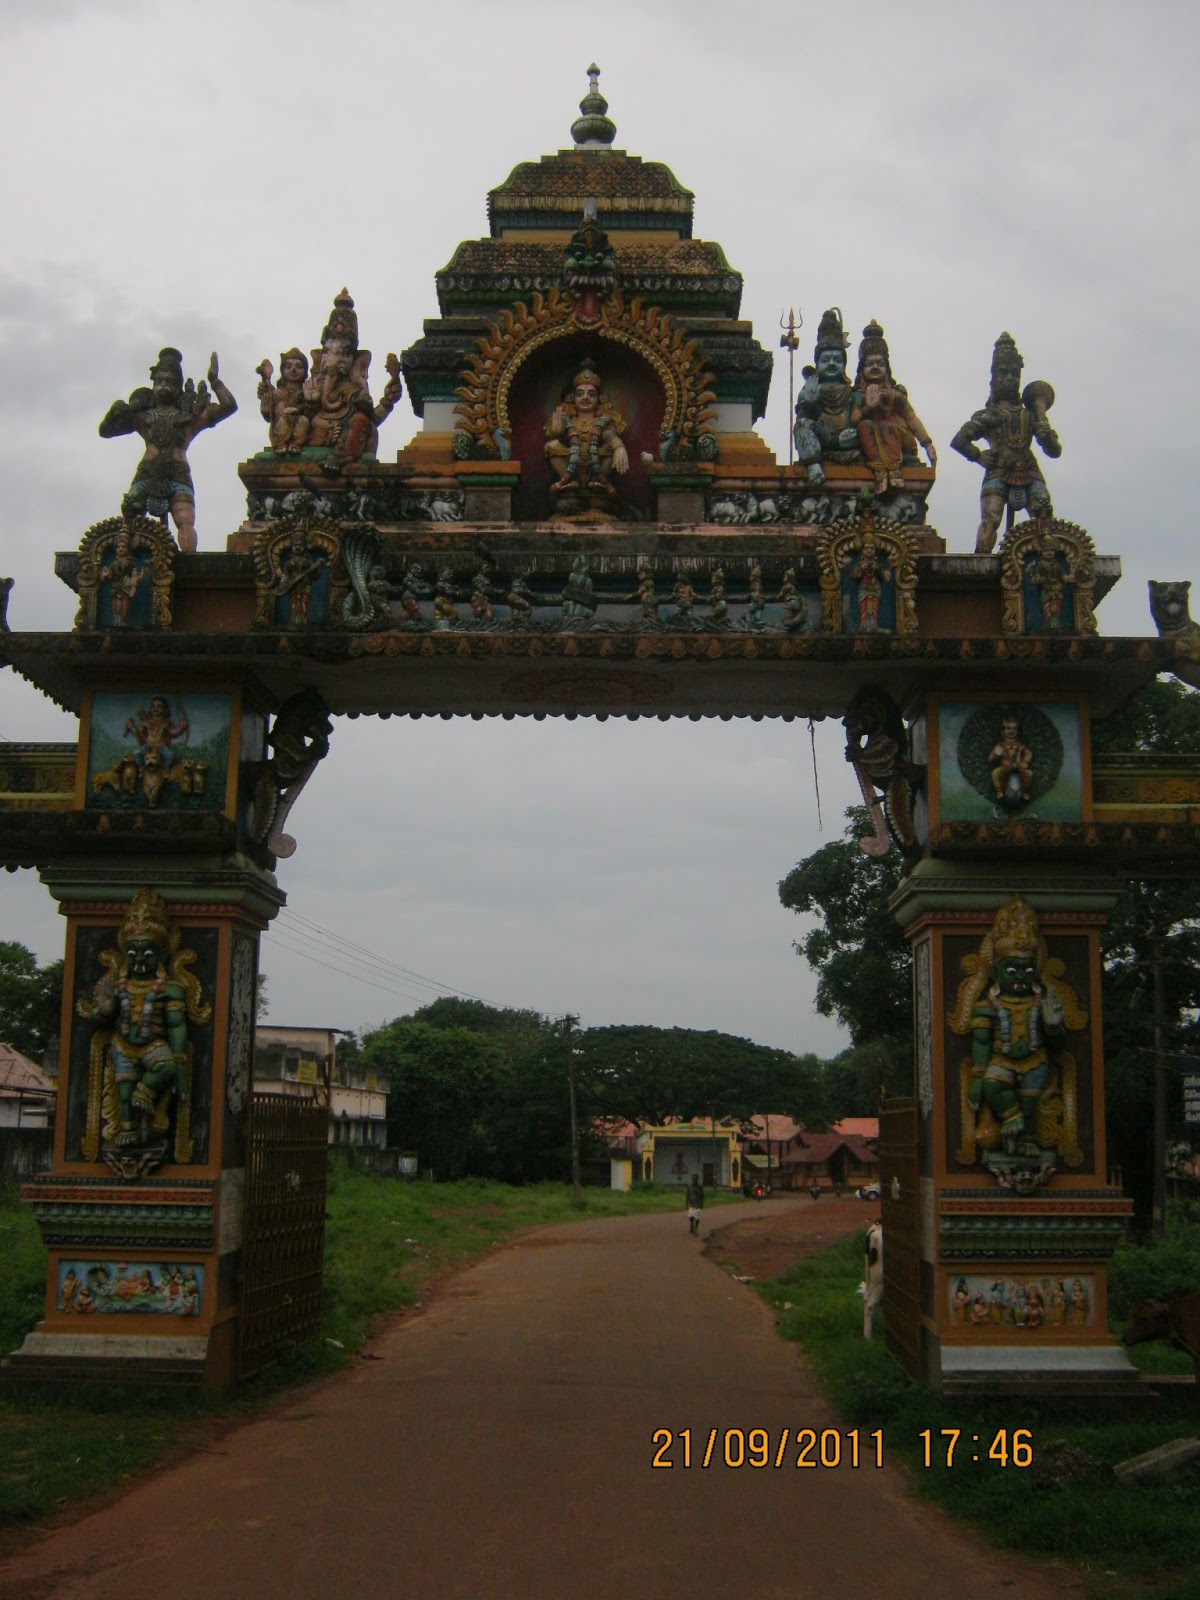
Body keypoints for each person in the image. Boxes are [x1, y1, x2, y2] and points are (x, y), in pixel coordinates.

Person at [99, 347, 236, 553]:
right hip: (147, 470)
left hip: (177, 472)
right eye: (159, 381)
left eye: (169, 381)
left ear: (178, 386)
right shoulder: (142, 416)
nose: (163, 385)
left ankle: (189, 560)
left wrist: (215, 382)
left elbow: (229, 406)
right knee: (131, 514)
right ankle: (125, 556)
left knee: (184, 518)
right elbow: (106, 432)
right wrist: (113, 414)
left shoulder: (190, 416)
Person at [950, 332, 1060, 554]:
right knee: (991, 518)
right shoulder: (990, 415)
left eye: (1014, 373)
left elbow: (1054, 451)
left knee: (1044, 513)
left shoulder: (1031, 415)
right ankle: (981, 558)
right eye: (1003, 373)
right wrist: (978, 455)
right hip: (998, 470)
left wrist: (1046, 435)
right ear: (993, 379)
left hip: (1029, 470)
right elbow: (959, 441)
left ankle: (1047, 557)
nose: (1010, 378)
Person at [545, 362, 630, 499]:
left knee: (611, 447)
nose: (585, 397)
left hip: (597, 466)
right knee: (551, 445)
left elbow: (609, 435)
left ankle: (597, 482)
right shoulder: (567, 420)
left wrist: (619, 447)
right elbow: (557, 438)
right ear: (572, 398)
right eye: (580, 394)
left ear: (599, 399)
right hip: (570, 464)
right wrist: (556, 432)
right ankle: (570, 481)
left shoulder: (603, 420)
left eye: (591, 394)